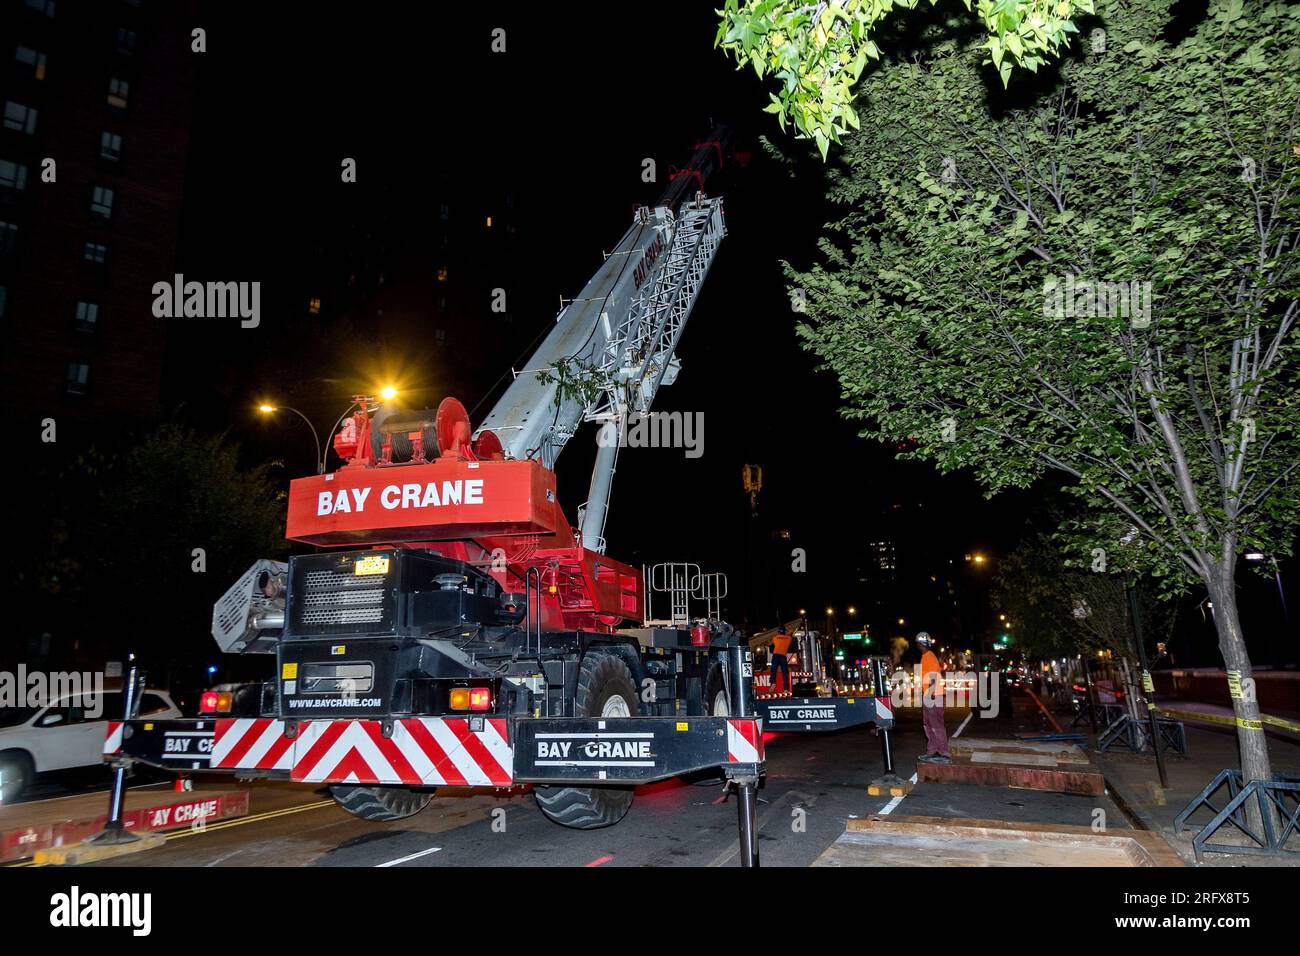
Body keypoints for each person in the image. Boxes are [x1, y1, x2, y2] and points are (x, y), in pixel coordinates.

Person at [916, 631, 951, 764]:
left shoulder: (929, 656)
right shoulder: (925, 656)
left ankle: (944, 753)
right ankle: (932, 751)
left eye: (918, 643)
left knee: (936, 725)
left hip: (934, 696)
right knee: (928, 724)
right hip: (930, 695)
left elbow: (933, 677)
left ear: (921, 644)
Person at [769, 625, 792, 695]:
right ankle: (785, 689)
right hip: (783, 656)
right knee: (785, 672)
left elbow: (770, 644)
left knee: (773, 670)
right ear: (784, 632)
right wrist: (787, 632)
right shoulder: (789, 638)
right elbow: (790, 632)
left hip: (776, 656)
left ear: (778, 632)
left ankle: (773, 683)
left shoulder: (775, 637)